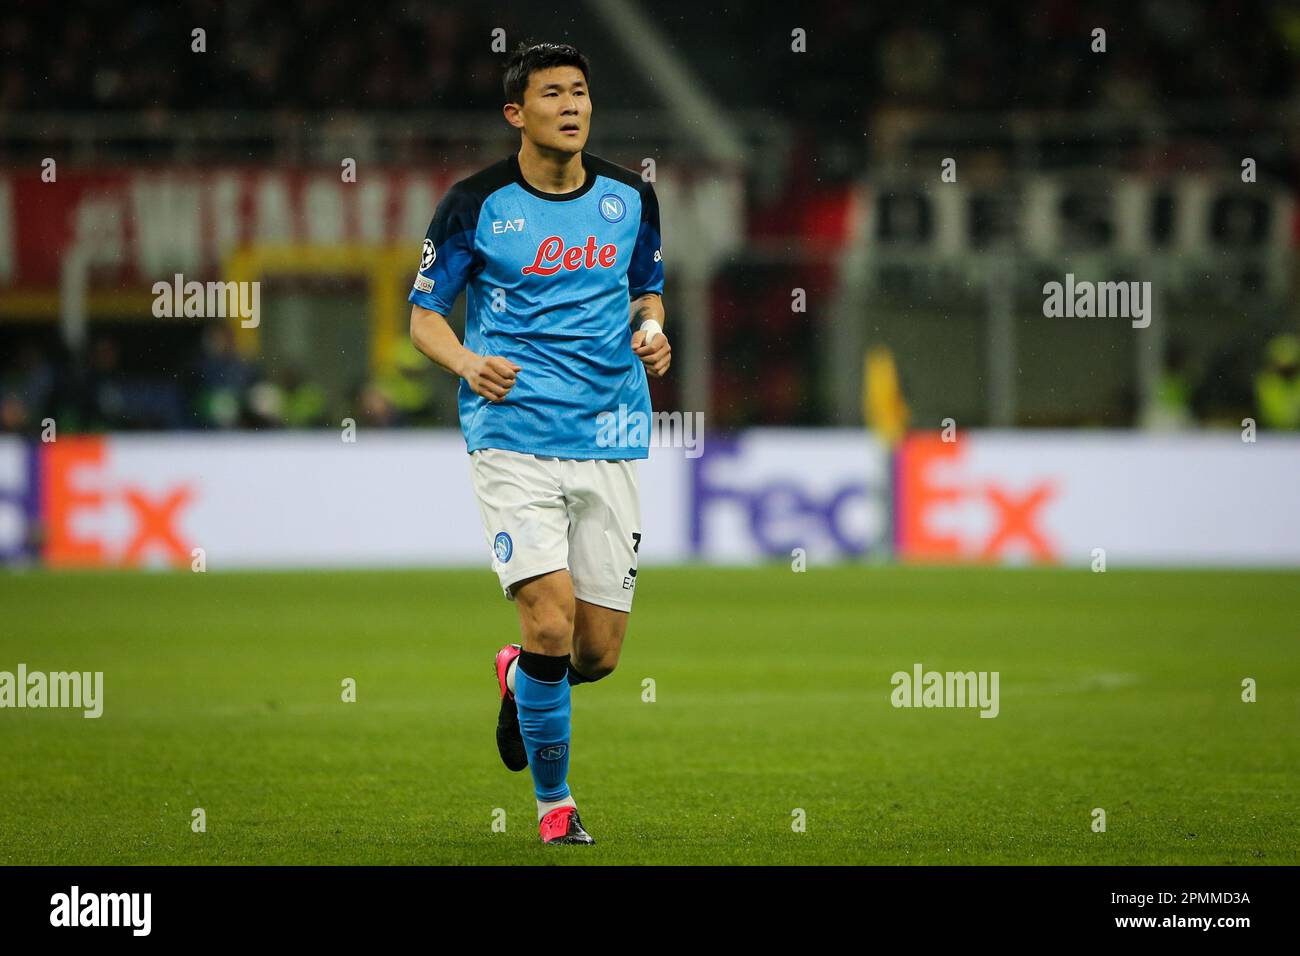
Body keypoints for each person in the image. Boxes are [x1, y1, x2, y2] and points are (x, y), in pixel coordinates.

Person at [407, 41, 670, 845]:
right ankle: (555, 806)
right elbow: (423, 316)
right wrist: (465, 360)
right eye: (553, 93)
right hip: (513, 436)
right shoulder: (474, 203)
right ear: (516, 114)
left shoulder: (631, 196)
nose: (572, 105)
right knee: (549, 623)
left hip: (612, 434)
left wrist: (654, 330)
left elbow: (646, 289)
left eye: (581, 92)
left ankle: (519, 675)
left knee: (594, 657)